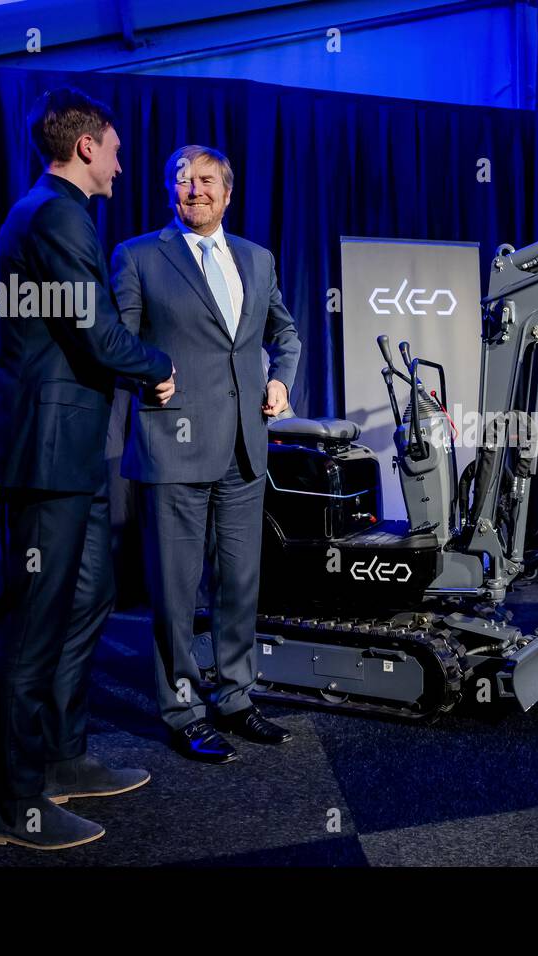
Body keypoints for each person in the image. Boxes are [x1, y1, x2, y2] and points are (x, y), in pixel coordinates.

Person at [0, 88, 175, 851]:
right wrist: (159, 366)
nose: (122, 164)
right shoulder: (56, 214)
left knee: (87, 601)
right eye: (116, 149)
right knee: (36, 625)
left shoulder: (56, 213)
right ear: (85, 146)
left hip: (74, 451)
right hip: (46, 453)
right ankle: (14, 806)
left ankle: (60, 759)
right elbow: (96, 334)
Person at [111, 145, 301, 763]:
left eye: (206, 179)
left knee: (240, 584)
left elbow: (285, 333)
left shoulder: (257, 258)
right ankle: (182, 707)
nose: (194, 188)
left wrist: (280, 380)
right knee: (174, 590)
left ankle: (236, 695)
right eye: (182, 179)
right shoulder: (139, 256)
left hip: (246, 448)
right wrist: (146, 374)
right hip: (173, 449)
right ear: (172, 191)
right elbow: (117, 341)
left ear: (228, 191)